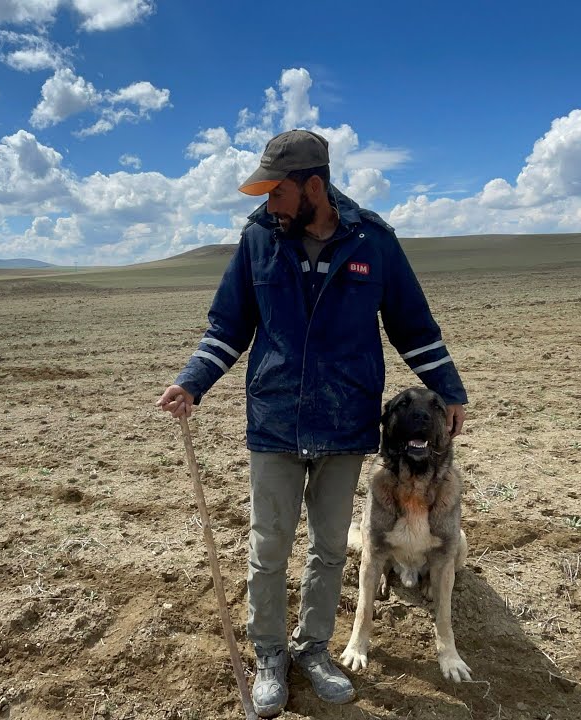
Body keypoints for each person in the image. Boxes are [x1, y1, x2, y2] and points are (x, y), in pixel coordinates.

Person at [156, 129, 467, 717]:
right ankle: (271, 652)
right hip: (275, 420)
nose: (268, 205)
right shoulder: (258, 240)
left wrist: (450, 391)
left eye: (277, 192)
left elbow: (415, 328)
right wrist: (191, 381)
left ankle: (314, 649)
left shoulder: (373, 242)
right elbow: (228, 327)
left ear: (314, 186)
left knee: (328, 547)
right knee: (269, 546)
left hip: (345, 420)